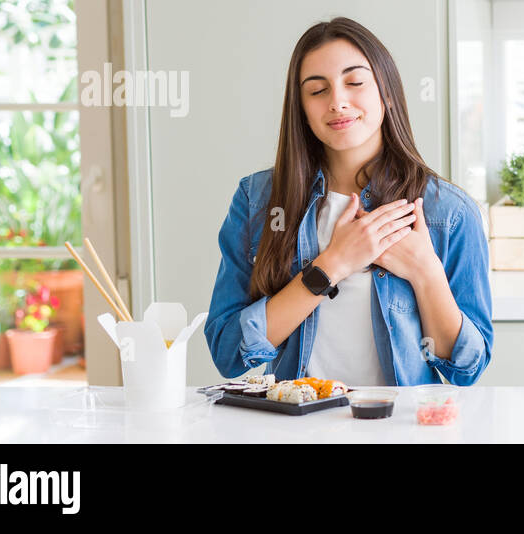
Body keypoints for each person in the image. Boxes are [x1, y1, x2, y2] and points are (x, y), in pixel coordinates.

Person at [204, 17, 492, 386]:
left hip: (400, 430)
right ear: (302, 110)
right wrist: (331, 266)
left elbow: (467, 368)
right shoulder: (259, 200)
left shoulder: (447, 213)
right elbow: (228, 353)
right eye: (316, 90)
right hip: (294, 429)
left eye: (354, 82)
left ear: (386, 93)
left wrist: (425, 271)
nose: (338, 102)